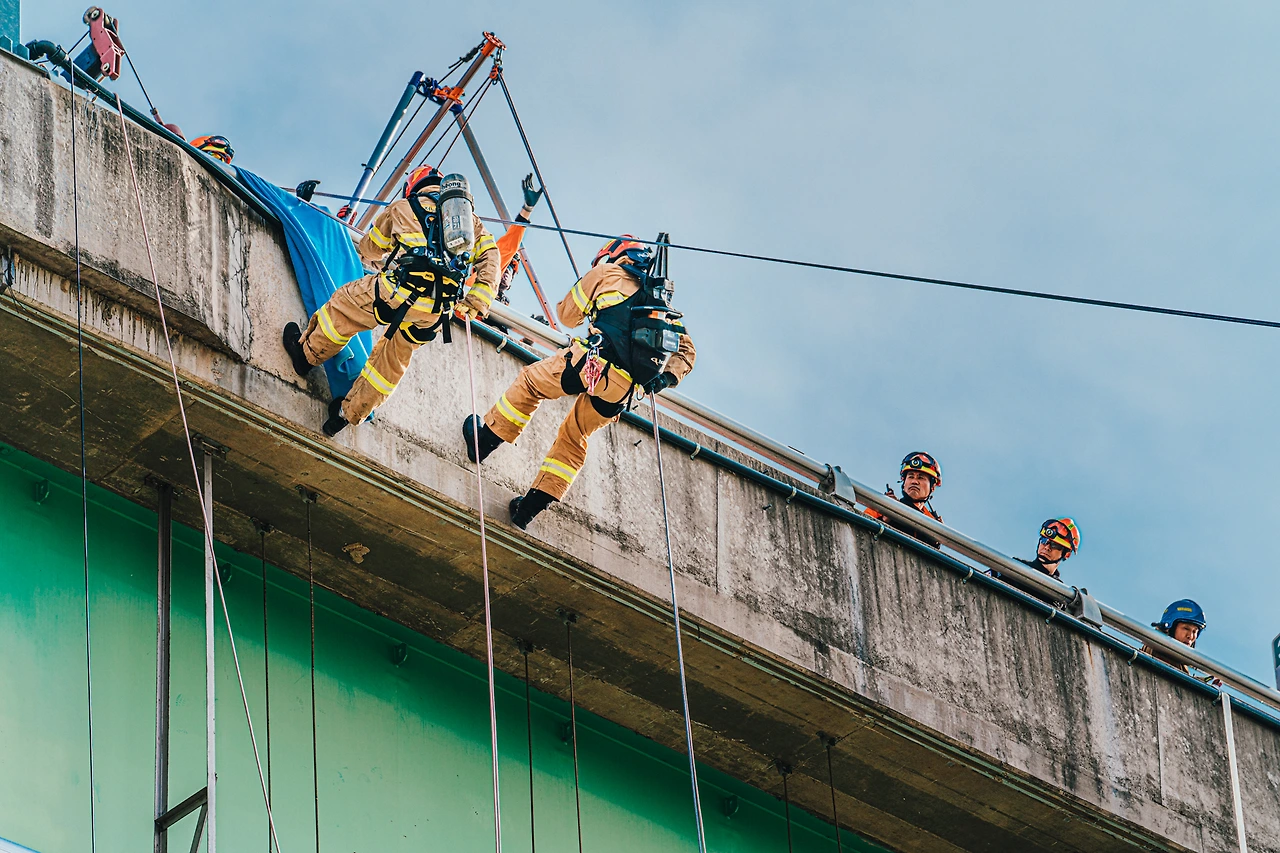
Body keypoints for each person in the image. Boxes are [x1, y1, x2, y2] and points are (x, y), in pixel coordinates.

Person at [462, 235, 695, 530]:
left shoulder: (607, 273)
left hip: (589, 364)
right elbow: (687, 352)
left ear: (616, 255)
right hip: (623, 391)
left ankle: (484, 443)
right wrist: (660, 379)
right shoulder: (661, 305)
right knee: (575, 436)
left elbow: (567, 316)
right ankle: (527, 511)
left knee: (531, 384)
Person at [282, 165, 499, 436]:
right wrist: (477, 301)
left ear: (413, 186)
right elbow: (491, 257)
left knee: (341, 310)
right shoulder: (470, 222)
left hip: (396, 292)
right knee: (388, 366)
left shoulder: (402, 207)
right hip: (435, 310)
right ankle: (345, 415)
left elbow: (370, 248)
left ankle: (305, 357)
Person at [474, 174, 543, 333]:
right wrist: (527, 210)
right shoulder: (477, 278)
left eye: (512, 270)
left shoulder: (505, 307)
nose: (507, 272)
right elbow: (509, 246)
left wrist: (529, 336)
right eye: (507, 267)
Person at [864, 452, 945, 548]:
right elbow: (861, 531)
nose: (914, 481)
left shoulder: (932, 523)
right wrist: (884, 519)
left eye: (921, 477)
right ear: (904, 481)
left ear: (932, 487)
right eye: (910, 476)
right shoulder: (882, 506)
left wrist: (937, 539)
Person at [990, 517, 1079, 602]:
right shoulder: (1013, 568)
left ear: (1067, 554)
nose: (1047, 547)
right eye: (1044, 541)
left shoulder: (1061, 593)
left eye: (1055, 545)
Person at [1142, 599, 1209, 676]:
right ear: (1171, 628)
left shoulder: (1177, 657)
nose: (1190, 636)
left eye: (1194, 631)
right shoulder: (1161, 649)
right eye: (1186, 628)